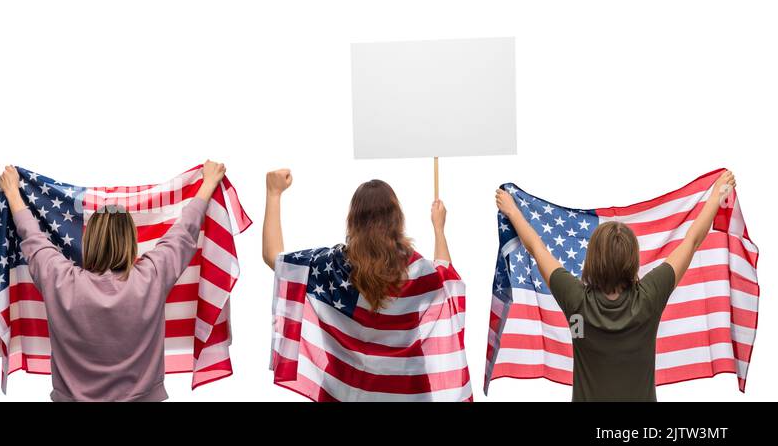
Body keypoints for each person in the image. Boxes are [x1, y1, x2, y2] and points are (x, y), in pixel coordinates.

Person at [494, 170, 737, 402]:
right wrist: (716, 196)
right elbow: (691, 241)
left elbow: (537, 248)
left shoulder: (576, 300)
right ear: (632, 260)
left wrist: (513, 212)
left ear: (592, 259)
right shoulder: (649, 297)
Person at [0, 161, 227, 402]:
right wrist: (208, 184)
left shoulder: (59, 279)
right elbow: (185, 231)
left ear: (88, 241)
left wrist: (13, 192)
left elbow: (32, 236)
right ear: (131, 241)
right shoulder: (152, 276)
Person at [261, 170, 451, 303]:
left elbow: (274, 258)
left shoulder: (333, 267)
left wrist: (273, 193)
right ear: (397, 218)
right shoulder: (415, 271)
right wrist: (439, 229)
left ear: (352, 220)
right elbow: (448, 283)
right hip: (409, 363)